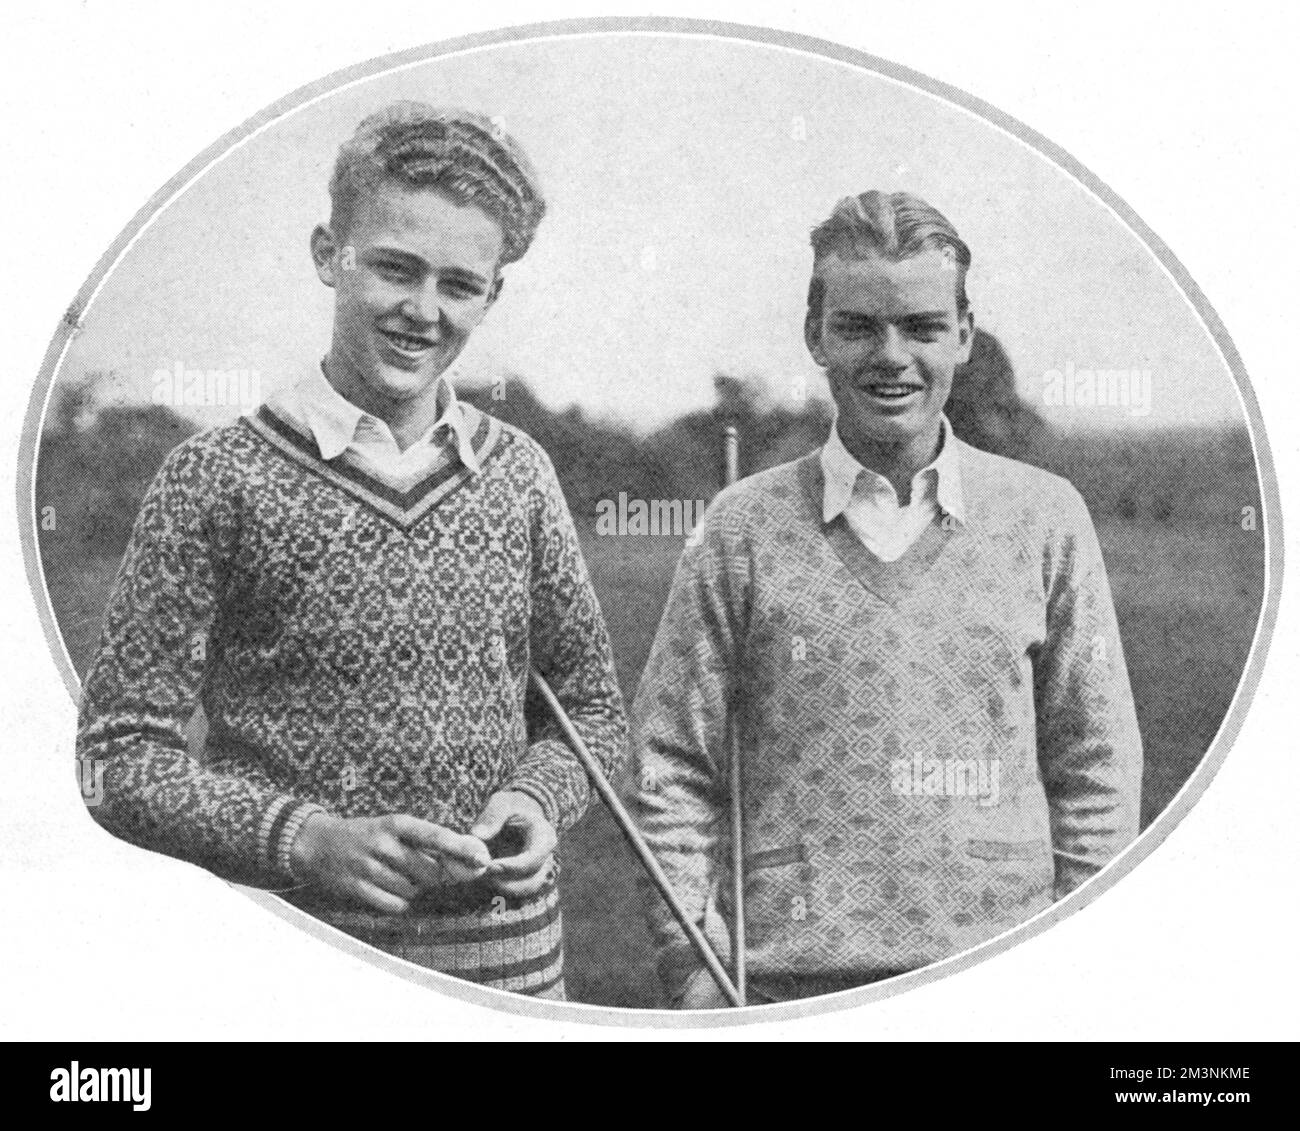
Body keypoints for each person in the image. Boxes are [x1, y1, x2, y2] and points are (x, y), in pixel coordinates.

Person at [75, 103, 626, 1000]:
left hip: (513, 974)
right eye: (396, 270)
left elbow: (593, 714)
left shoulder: (520, 472)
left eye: (459, 284)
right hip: (296, 972)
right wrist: (305, 837)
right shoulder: (214, 476)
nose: (423, 310)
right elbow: (119, 755)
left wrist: (535, 803)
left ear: (491, 295)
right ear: (330, 253)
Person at [628, 190, 1143, 1007]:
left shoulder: (1046, 517)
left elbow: (1097, 764)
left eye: (923, 327)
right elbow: (669, 764)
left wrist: (1071, 954)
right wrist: (691, 960)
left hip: (999, 986)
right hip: (785, 988)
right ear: (817, 336)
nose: (891, 355)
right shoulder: (741, 526)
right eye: (860, 326)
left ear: (964, 335)